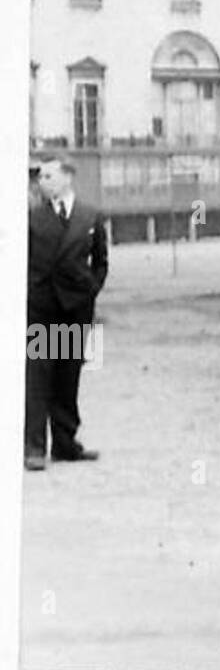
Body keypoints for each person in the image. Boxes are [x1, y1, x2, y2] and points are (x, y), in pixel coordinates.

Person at [26, 157, 108, 471]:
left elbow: (101, 261)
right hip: (42, 309)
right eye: (40, 177)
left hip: (75, 308)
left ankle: (65, 443)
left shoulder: (90, 216)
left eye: (48, 175)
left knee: (68, 375)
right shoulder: (33, 217)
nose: (41, 181)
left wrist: (91, 290)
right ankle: (34, 447)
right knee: (38, 377)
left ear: (67, 178)